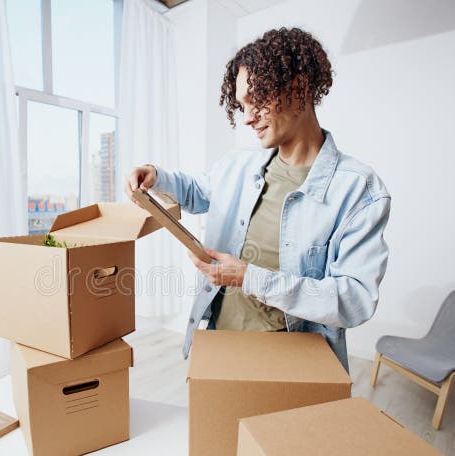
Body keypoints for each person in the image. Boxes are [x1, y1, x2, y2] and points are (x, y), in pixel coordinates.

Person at [123, 27, 390, 372]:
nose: (247, 118)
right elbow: (199, 192)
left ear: (301, 87)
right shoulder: (239, 163)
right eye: (242, 106)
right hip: (222, 341)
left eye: (258, 101)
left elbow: (353, 300)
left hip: (293, 360)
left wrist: (247, 277)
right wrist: (155, 175)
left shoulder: (359, 190)